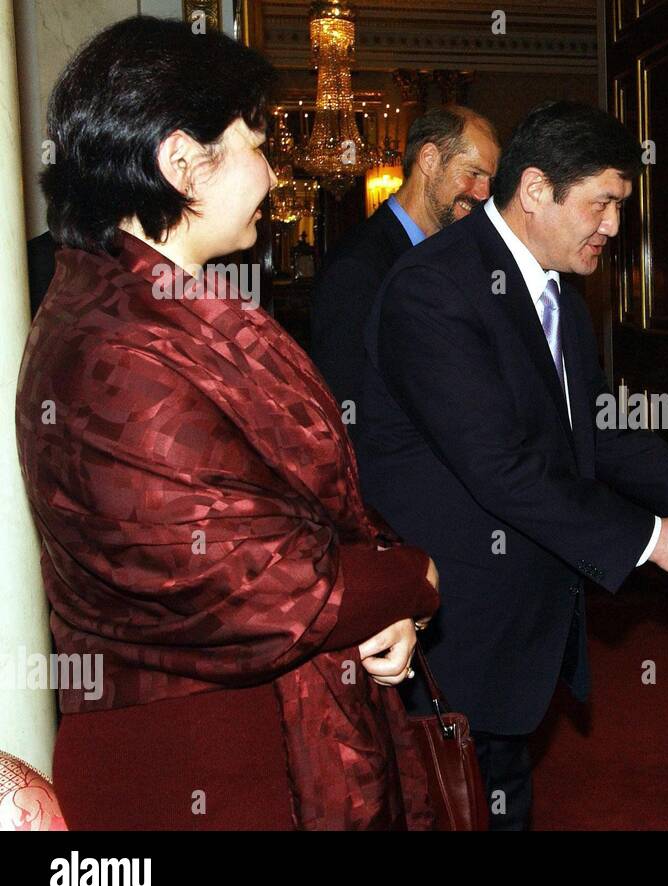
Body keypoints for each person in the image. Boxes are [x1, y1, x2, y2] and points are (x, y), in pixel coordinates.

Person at [16, 16, 440, 830]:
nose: (275, 173)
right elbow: (268, 589)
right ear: (181, 162)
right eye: (254, 143)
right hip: (197, 762)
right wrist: (417, 578)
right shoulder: (119, 349)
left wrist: (382, 590)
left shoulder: (144, 306)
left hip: (236, 728)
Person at [357, 100, 668, 830]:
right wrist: (656, 539)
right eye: (603, 203)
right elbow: (503, 466)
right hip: (453, 630)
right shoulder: (434, 287)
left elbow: (596, 433)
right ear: (535, 189)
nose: (614, 228)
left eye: (620, 206)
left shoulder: (556, 285)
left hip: (520, 624)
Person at [310, 105, 499, 412]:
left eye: (489, 179)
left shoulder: (458, 259)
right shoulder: (359, 266)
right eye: (474, 173)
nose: (483, 193)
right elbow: (346, 401)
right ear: (429, 160)